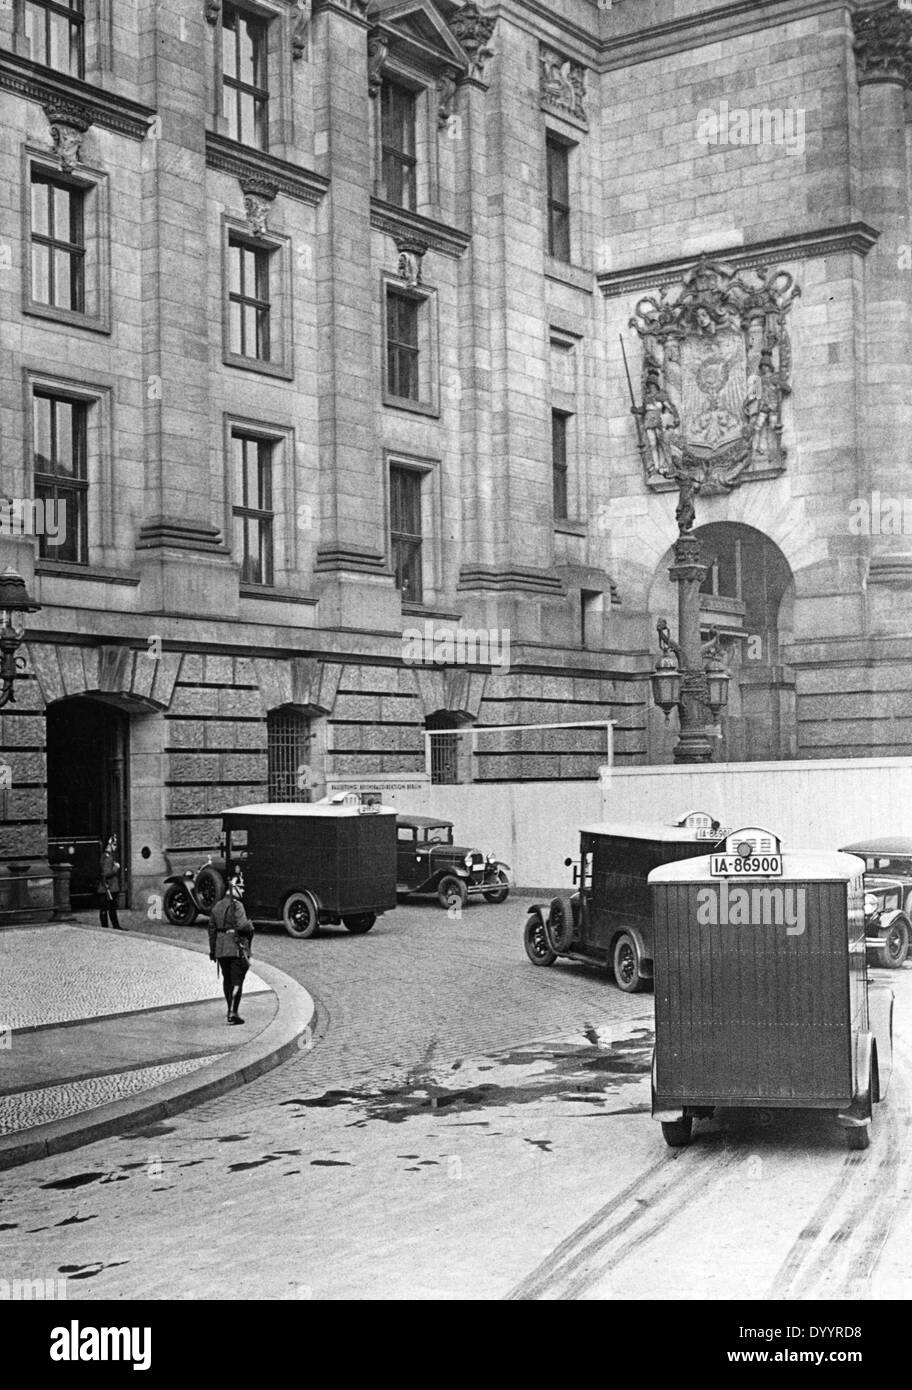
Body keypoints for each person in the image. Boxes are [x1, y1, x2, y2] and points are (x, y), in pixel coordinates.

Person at [208, 872, 254, 1025]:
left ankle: (230, 1009)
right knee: (237, 980)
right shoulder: (237, 905)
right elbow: (242, 926)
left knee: (227, 979)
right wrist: (250, 926)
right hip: (235, 947)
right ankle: (233, 1012)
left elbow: (212, 931)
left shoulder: (217, 906)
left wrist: (213, 951)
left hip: (221, 948)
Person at [97, 834, 126, 931]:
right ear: (109, 845)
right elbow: (106, 873)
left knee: (108, 908)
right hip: (108, 887)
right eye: (114, 844)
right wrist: (116, 868)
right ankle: (110, 927)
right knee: (109, 908)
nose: (115, 847)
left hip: (107, 887)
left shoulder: (106, 856)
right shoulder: (108, 857)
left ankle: (108, 927)